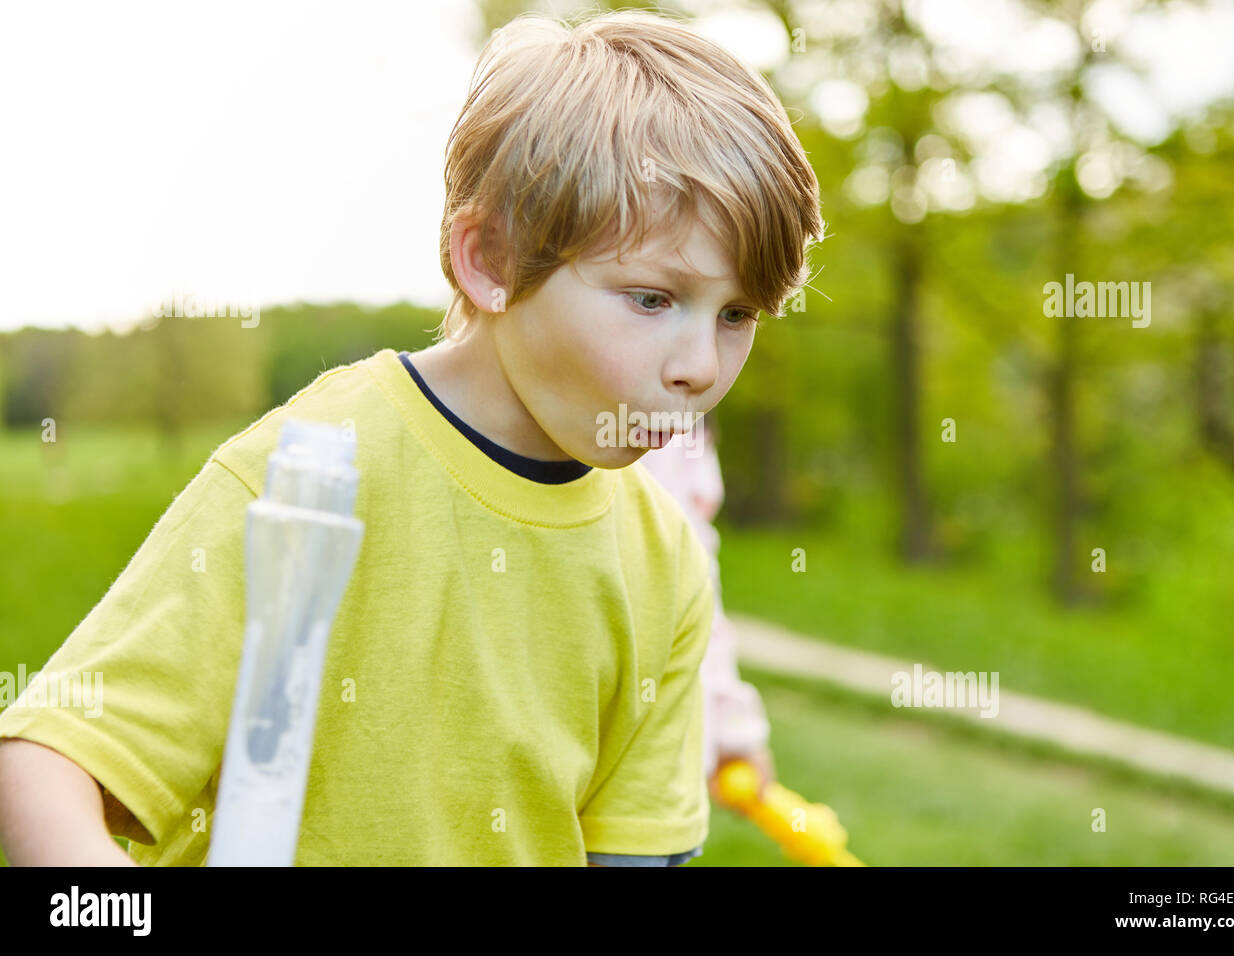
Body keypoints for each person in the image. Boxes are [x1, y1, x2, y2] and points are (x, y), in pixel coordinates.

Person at [0, 9, 822, 866]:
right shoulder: (307, 473)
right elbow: (45, 764)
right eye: (652, 298)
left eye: (736, 315)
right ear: (492, 261)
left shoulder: (663, 561)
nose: (699, 364)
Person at [636, 413, 775, 808]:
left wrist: (733, 726)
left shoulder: (681, 432)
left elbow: (696, 592)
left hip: (658, 763)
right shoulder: (637, 429)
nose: (702, 368)